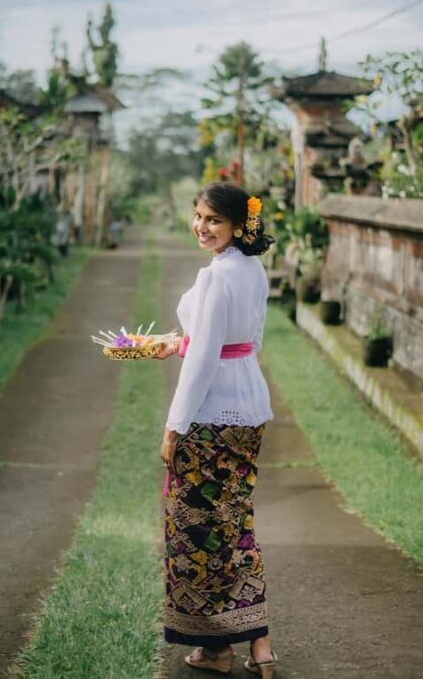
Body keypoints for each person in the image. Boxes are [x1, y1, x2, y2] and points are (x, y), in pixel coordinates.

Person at [155, 182, 278, 678]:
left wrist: (173, 427)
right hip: (248, 410)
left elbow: (205, 358)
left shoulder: (216, 278)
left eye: (213, 221)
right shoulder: (252, 269)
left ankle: (217, 650)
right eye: (198, 216)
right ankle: (261, 647)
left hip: (208, 421)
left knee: (197, 533)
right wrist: (178, 342)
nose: (201, 227)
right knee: (235, 523)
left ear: (237, 226)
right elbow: (246, 340)